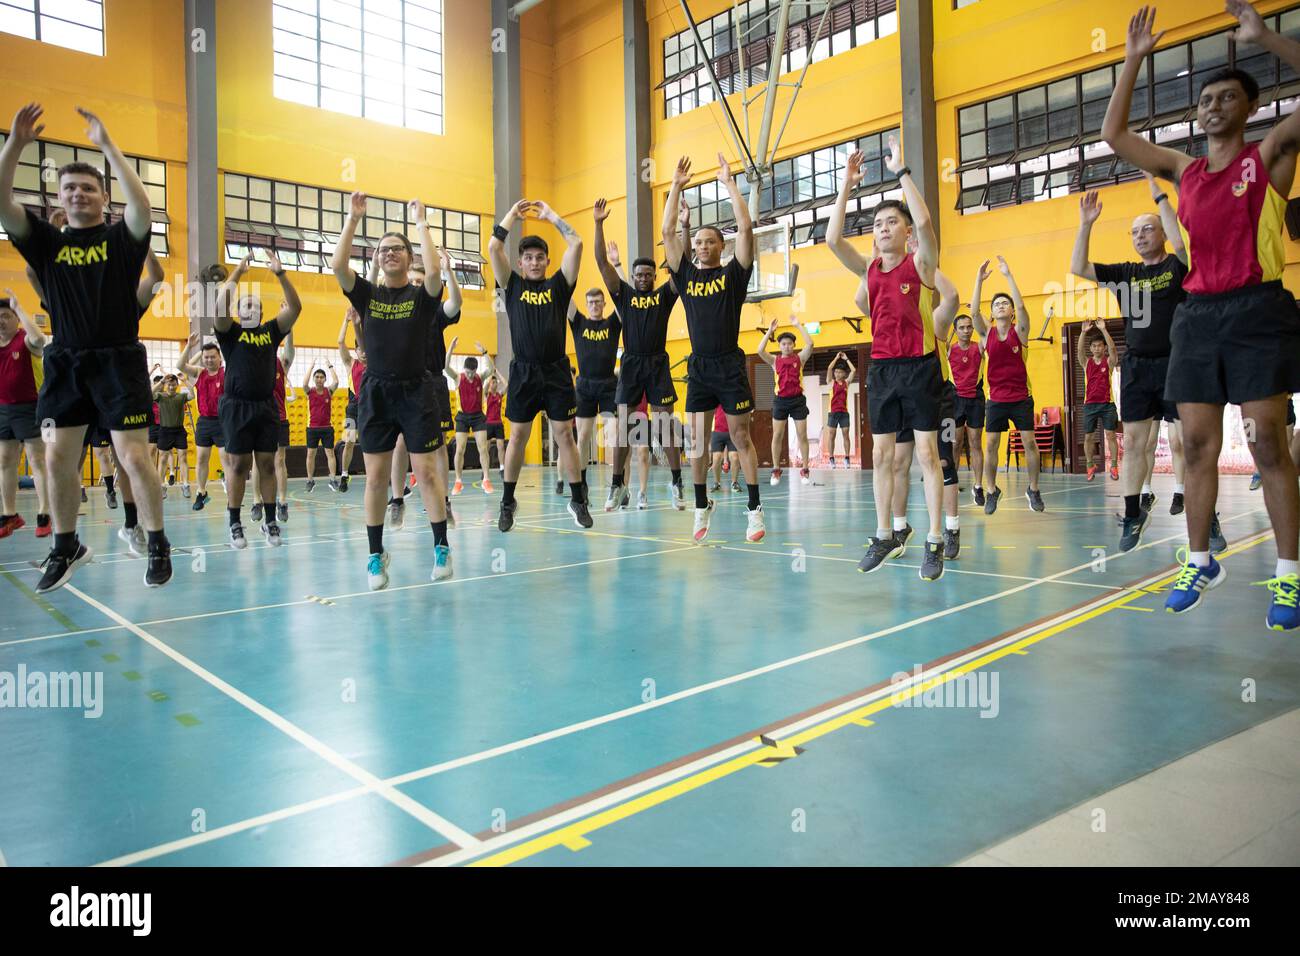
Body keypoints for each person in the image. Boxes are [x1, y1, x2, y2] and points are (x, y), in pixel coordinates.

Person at [1102, 3, 1300, 626]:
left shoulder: (1268, 158)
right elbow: (1114, 136)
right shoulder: (1184, 172)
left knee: (1269, 441)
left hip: (1257, 310)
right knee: (1194, 446)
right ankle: (1199, 560)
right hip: (1198, 315)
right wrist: (1133, 60)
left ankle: (1289, 576)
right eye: (1205, 98)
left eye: (1226, 97)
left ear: (1249, 108)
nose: (1212, 105)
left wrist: (1266, 37)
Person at [0, 103, 171, 590]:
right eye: (70, 188)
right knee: (55, 457)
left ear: (102, 198)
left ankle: (157, 542)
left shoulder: (122, 240)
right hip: (65, 364)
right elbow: (2, 201)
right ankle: (66, 544)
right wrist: (14, 144)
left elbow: (141, 208)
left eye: (88, 188)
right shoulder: (47, 244)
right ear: (60, 198)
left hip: (119, 363)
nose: (79, 194)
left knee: (134, 458)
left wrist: (108, 147)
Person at [827, 140, 947, 579]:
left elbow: (928, 220)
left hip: (919, 368)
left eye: (891, 222)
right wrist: (846, 185)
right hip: (882, 370)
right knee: (880, 457)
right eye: (877, 224)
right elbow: (832, 239)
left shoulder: (922, 264)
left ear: (906, 232)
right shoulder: (870, 271)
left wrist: (902, 172)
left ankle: (934, 540)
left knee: (927, 455)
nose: (881, 228)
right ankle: (884, 535)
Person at [332, 193, 452, 588]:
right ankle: (374, 555)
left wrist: (420, 224)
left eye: (397, 249)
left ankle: (441, 546)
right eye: (383, 249)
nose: (390, 254)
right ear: (378, 257)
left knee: (427, 473)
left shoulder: (420, 297)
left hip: (417, 392)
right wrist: (353, 219)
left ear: (408, 256)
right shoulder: (368, 294)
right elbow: (337, 266)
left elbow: (434, 273)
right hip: (377, 393)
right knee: (375, 479)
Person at [661, 154, 764, 543]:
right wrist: (674, 185)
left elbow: (746, 227)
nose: (702, 246)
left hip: (730, 365)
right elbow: (669, 232)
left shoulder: (734, 275)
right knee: (697, 442)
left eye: (709, 241)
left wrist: (728, 182)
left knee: (740, 437)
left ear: (722, 246)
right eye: (699, 242)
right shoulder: (685, 276)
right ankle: (702, 505)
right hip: (700, 367)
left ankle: (754, 509)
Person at [488, 198, 589, 532]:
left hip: (557, 371)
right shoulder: (512, 285)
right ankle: (507, 500)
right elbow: (493, 246)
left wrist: (552, 216)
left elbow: (576, 242)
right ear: (520, 262)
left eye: (539, 257)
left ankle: (577, 498)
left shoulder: (559, 285)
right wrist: (511, 216)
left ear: (547, 261)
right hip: (524, 372)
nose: (534, 261)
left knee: (564, 435)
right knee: (517, 437)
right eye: (528, 257)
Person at [213, 250, 301, 548]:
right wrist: (236, 273)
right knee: (238, 466)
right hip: (236, 406)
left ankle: (270, 520)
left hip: (266, 407)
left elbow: (296, 308)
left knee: (267, 465)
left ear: (262, 313)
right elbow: (219, 308)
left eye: (255, 305)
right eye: (245, 304)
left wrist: (280, 273)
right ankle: (234, 521)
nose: (250, 308)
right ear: (239, 312)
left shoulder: (271, 331)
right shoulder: (230, 332)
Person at [971, 257, 1045, 516]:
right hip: (997, 399)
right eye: (997, 304)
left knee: (1029, 442)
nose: (1001, 305)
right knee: (990, 444)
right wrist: (979, 281)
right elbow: (972, 312)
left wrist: (1009, 274)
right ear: (991, 313)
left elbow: (1023, 307)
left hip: (1022, 397)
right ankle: (992, 490)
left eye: (1005, 303)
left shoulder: (1020, 332)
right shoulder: (985, 334)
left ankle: (1033, 489)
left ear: (1011, 312)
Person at [0, 293, 50, 539]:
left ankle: (45, 513)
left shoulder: (24, 341)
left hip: (29, 406)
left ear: (15, 319)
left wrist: (19, 308)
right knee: (5, 460)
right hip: (2, 409)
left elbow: (40, 339)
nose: (1, 321)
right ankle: (10, 515)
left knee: (37, 460)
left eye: (5, 316)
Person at [567, 284, 621, 505]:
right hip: (585, 387)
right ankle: (582, 485)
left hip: (609, 384)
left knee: (617, 436)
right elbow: (566, 295)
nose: (595, 305)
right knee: (583, 438)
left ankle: (618, 485)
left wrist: (617, 268)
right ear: (587, 304)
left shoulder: (612, 323)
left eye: (598, 301)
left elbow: (622, 297)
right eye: (591, 302)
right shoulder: (578, 322)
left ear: (604, 303)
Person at [758, 316, 814, 486]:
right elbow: (760, 350)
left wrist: (798, 324)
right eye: (783, 343)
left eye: (790, 343)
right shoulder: (775, 361)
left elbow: (810, 344)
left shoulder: (800, 359)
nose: (787, 346)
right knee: (777, 435)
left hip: (797, 401)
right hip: (780, 401)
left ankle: (804, 470)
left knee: (802, 435)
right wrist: (769, 331)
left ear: (793, 345)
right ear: (779, 346)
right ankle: (776, 470)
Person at [178, 331, 225, 511]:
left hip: (222, 422)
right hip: (204, 422)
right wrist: (189, 346)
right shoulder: (199, 372)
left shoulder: (225, 373)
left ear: (219, 358)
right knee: (201, 459)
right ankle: (202, 492)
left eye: (213, 357)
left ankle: (231, 493)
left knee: (226, 459)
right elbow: (180, 365)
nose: (209, 360)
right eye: (206, 357)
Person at [447, 338, 495, 496]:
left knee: (483, 448)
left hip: (477, 417)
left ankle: (486, 479)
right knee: (460, 449)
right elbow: (446, 367)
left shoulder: (479, 378)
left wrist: (485, 352)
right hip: (462, 417)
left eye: (472, 372)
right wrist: (451, 349)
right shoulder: (458, 378)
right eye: (468, 372)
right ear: (464, 369)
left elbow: (491, 368)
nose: (470, 375)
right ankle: (458, 481)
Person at [1076, 319, 1120, 482]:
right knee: (1088, 437)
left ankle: (1114, 465)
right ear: (1091, 349)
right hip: (1090, 405)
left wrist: (1104, 329)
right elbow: (1079, 350)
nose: (1097, 348)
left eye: (1099, 345)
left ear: (1104, 347)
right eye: (1094, 346)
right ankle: (1090, 465)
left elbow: (1114, 349)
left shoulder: (1108, 362)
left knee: (1110, 435)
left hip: (1107, 404)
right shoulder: (1086, 363)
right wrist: (1083, 332)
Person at [947, 316, 985, 502]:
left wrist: (977, 313)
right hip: (954, 399)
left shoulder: (979, 346)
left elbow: (987, 330)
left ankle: (978, 486)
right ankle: (951, 484)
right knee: (955, 443)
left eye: (969, 327)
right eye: (961, 327)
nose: (966, 330)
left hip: (976, 398)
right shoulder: (949, 349)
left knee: (975, 443)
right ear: (955, 330)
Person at [337, 308, 365, 493]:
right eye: (361, 350)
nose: (364, 353)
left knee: (374, 443)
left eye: (366, 350)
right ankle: (344, 474)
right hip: (353, 408)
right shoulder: (351, 364)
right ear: (356, 350)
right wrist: (347, 321)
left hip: (371, 407)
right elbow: (340, 341)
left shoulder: (375, 364)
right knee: (349, 441)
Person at [152, 373, 192, 499]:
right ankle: (161, 486)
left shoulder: (181, 396)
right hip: (164, 431)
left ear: (176, 385)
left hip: (179, 431)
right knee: (163, 458)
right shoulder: (160, 396)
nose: (171, 387)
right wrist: (161, 381)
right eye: (169, 385)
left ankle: (185, 485)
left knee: (183, 457)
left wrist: (185, 380)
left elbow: (192, 395)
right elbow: (149, 393)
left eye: (173, 385)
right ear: (166, 385)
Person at [302, 364, 339, 492]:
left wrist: (330, 366)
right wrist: (310, 367)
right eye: (317, 377)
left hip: (327, 428)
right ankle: (310, 480)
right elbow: (304, 383)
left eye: (322, 377)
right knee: (311, 454)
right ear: (314, 379)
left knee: (330, 453)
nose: (319, 379)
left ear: (325, 379)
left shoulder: (329, 391)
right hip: (312, 428)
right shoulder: (309, 391)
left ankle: (333, 480)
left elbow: (336, 381)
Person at [824, 351, 855, 468]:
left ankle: (847, 458)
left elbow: (853, 370)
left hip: (844, 413)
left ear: (843, 374)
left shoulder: (846, 383)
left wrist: (846, 359)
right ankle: (831, 458)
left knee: (845, 434)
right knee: (832, 435)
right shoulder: (831, 382)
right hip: (832, 413)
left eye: (840, 372)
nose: (837, 374)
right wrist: (836, 358)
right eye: (836, 372)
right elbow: (829, 367)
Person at [708, 403, 741, 493]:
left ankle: (734, 483)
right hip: (717, 432)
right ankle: (717, 483)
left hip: (732, 432)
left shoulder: (732, 397)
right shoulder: (715, 398)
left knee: (735, 457)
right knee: (717, 458)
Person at [485, 369, 507, 480]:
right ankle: (485, 470)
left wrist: (497, 372)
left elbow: (506, 384)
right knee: (486, 449)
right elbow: (484, 386)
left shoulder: (499, 395)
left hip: (498, 424)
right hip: (488, 424)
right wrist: (490, 375)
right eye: (493, 382)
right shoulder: (486, 394)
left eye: (495, 382)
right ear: (490, 384)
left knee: (501, 447)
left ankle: (502, 468)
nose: (495, 384)